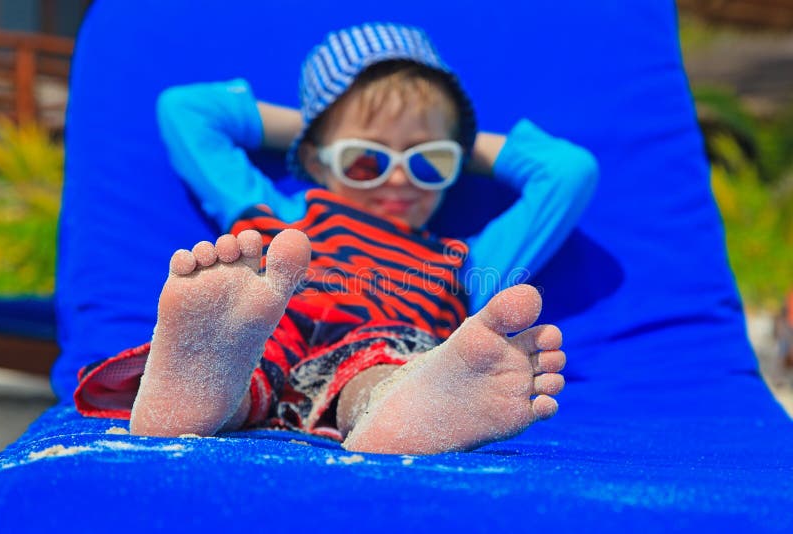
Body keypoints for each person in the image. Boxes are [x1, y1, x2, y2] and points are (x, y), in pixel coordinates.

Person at [73, 22, 598, 455]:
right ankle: (200, 387)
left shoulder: (466, 260)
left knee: (383, 369)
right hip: (264, 328)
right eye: (366, 159)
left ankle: (404, 413)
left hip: (382, 347)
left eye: (428, 162)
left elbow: (569, 171)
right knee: (244, 352)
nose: (399, 177)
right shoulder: (282, 215)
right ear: (317, 161)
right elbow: (186, 110)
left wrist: (447, 139)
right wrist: (320, 129)